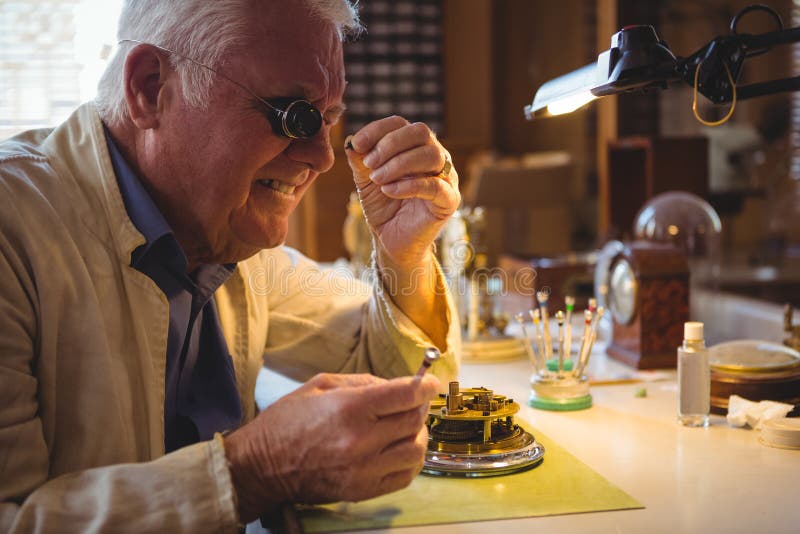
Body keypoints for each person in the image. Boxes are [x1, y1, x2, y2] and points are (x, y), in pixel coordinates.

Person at [0, 0, 462, 531]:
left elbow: (399, 383)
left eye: (330, 121)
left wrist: (404, 252)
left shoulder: (223, 235)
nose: (323, 157)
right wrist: (253, 471)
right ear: (150, 86)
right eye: (296, 115)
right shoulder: (15, 230)